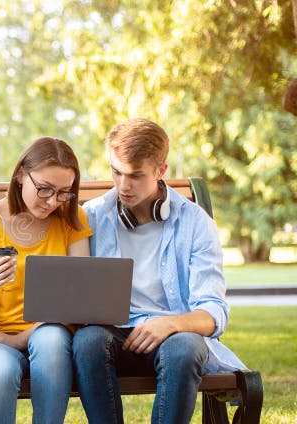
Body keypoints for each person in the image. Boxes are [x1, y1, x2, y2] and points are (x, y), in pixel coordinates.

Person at [73, 118, 246, 423]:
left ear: (160, 170)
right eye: (116, 172)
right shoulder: (93, 216)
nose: (123, 186)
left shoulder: (195, 223)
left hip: (173, 339)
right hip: (111, 337)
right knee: (88, 341)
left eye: (136, 176)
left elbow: (214, 311)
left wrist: (169, 324)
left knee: (184, 347)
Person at [0, 137, 91, 423]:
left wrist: (18, 340)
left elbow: (77, 304)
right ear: (21, 174)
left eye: (63, 193)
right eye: (44, 189)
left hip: (50, 333)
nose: (51, 201)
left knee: (52, 341)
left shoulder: (73, 219)